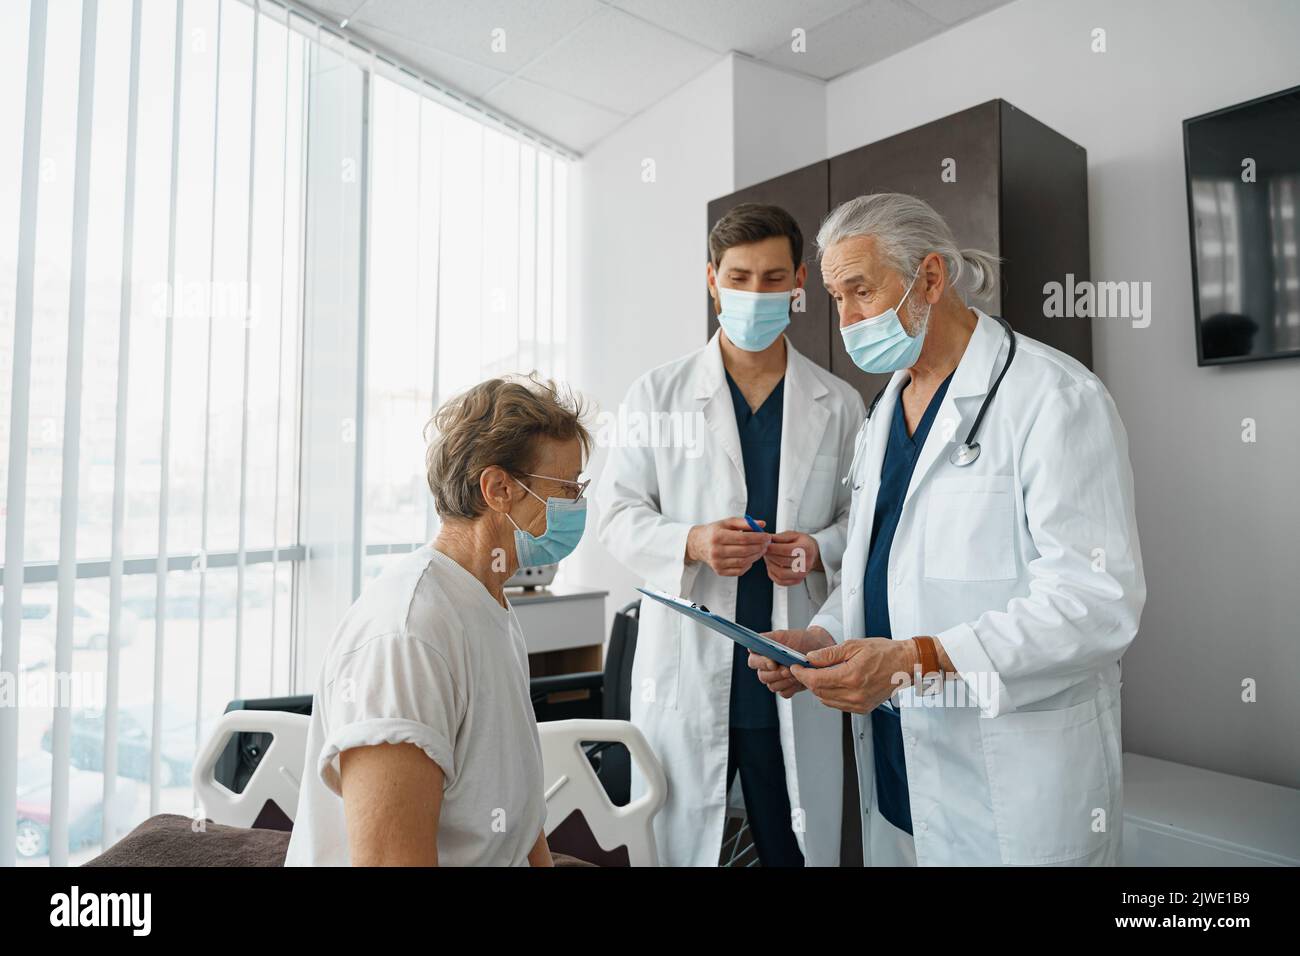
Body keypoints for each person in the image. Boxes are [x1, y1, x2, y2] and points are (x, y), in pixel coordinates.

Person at [752, 193, 1145, 866]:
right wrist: (823, 636)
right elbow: (887, 571)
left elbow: (1095, 603)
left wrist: (918, 660)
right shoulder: (883, 416)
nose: (844, 319)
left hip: (1014, 784)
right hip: (904, 771)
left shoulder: (1054, 397)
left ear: (930, 279)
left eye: (860, 291)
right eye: (834, 298)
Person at [595, 203, 865, 866]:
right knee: (685, 847)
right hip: (688, 674)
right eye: (739, 277)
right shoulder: (656, 396)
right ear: (712, 279)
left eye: (774, 278)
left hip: (791, 675)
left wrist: (816, 548)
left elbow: (863, 525)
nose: (755, 293)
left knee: (793, 852)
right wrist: (691, 542)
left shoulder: (840, 403)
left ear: (800, 282)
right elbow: (616, 514)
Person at [286, 375, 591, 866]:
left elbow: (517, 816)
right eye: (567, 488)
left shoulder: (487, 601)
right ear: (498, 489)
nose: (577, 505)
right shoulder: (407, 635)